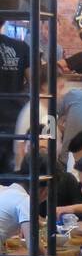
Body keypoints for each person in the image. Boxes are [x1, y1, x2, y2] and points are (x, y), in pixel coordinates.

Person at [0, 27, 30, 173]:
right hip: (14, 118)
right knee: (11, 174)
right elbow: (34, 81)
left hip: (14, 118)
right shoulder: (21, 46)